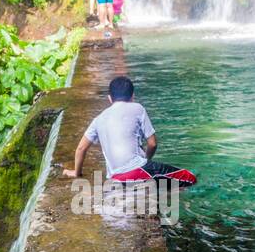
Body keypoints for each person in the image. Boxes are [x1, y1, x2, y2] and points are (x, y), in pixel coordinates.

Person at [63, 76, 197, 186]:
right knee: (190, 178)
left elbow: (81, 148)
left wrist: (77, 173)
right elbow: (152, 143)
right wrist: (146, 159)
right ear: (132, 96)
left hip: (116, 178)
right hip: (137, 171)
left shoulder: (98, 119)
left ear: (109, 98)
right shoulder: (137, 108)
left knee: (157, 180)